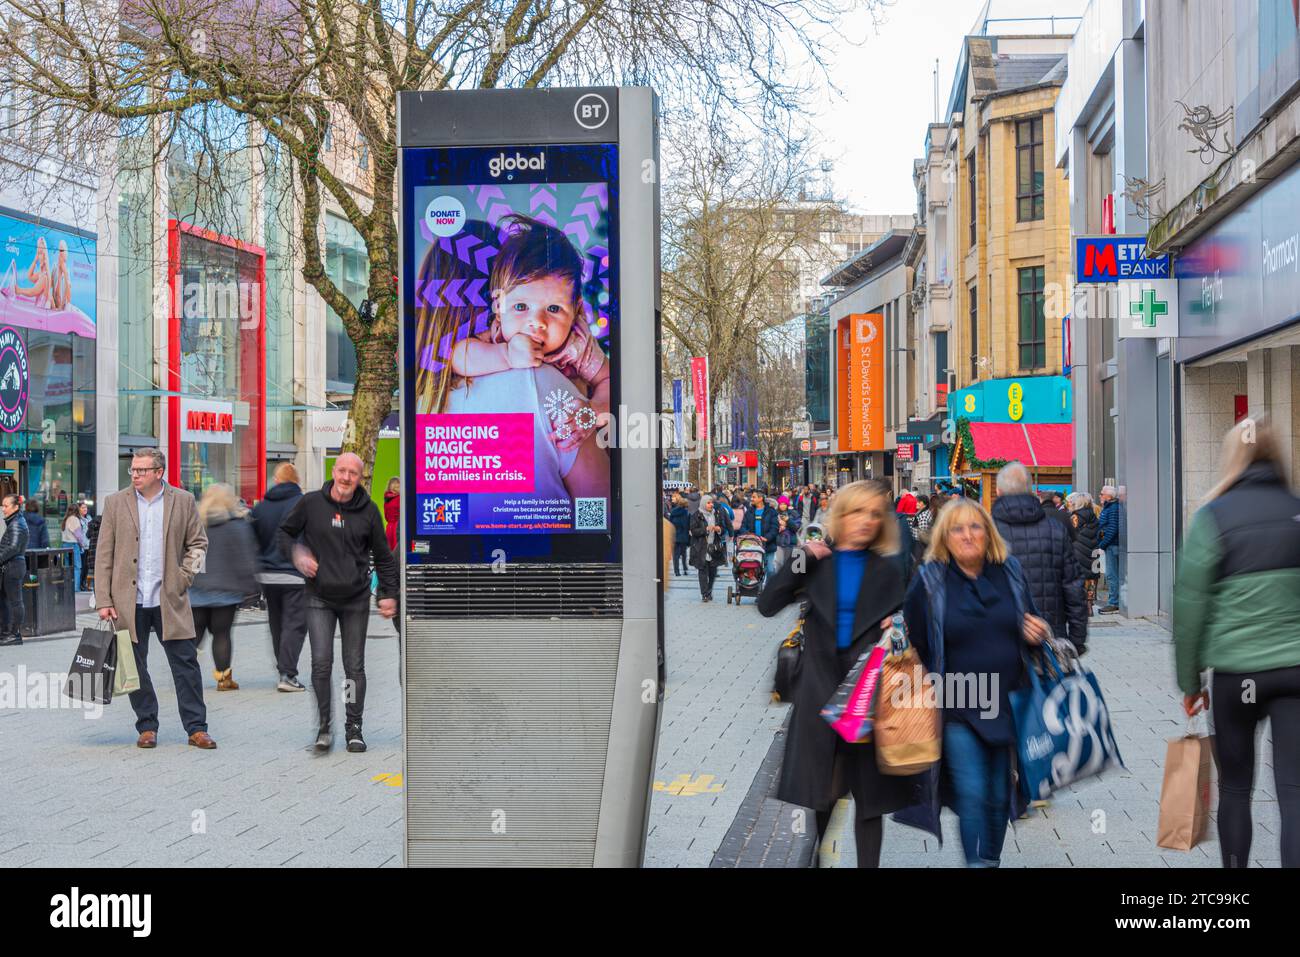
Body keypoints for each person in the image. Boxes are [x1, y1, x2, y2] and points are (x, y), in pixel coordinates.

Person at [758, 480, 919, 867]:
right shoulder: (816, 562)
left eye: (874, 514)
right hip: (820, 694)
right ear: (840, 516)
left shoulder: (888, 569)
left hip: (868, 697)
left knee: (870, 802)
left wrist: (901, 625)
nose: (865, 521)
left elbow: (912, 619)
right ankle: (814, 858)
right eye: (857, 512)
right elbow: (768, 602)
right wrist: (802, 556)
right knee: (823, 797)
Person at [1173, 415, 1300, 868]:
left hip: (1237, 674)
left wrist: (1190, 682)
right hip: (1295, 672)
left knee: (1234, 787)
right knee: (1294, 791)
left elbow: (1189, 610)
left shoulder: (1213, 518)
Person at [898, 497, 1050, 866]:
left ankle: (990, 861)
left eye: (975, 527)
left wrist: (1038, 631)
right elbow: (916, 636)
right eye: (957, 529)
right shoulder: (930, 580)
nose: (967, 535)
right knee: (971, 792)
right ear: (944, 538)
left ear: (988, 532)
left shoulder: (1010, 571)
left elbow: (1032, 618)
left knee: (1000, 796)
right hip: (956, 705)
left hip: (1007, 702)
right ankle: (977, 865)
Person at [94, 449, 215, 749]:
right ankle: (146, 726)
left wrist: (184, 578)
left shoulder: (183, 501)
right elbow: (103, 554)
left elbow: (199, 544)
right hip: (127, 601)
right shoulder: (115, 503)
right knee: (133, 667)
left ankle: (196, 728)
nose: (134, 475)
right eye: (132, 470)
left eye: (141, 470)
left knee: (185, 664)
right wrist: (103, 599)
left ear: (159, 472)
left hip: (169, 599)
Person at [277, 453, 398, 753]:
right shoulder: (310, 504)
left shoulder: (369, 511)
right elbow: (284, 534)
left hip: (355, 599)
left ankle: (353, 728)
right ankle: (324, 726)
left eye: (353, 474)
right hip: (319, 597)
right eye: (342, 471)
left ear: (360, 477)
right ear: (334, 471)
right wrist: (298, 554)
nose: (346, 478)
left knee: (353, 666)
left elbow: (384, 558)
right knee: (321, 663)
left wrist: (388, 594)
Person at [991, 462, 1088, 654]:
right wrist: (1077, 639)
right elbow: (1074, 586)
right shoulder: (1055, 530)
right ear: (1030, 490)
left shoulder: (986, 530)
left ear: (998, 491)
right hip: (1051, 636)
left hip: (1000, 639)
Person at [187, 484, 259, 691]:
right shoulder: (238, 525)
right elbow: (247, 559)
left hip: (196, 591)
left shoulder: (196, 524)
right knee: (222, 634)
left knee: (193, 636)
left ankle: (184, 675)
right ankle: (224, 678)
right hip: (227, 592)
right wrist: (251, 588)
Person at [252, 463, 309, 691]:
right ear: (297, 482)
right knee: (295, 624)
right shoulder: (303, 504)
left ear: (276, 481)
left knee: (276, 623)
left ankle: (282, 668)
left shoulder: (261, 508)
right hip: (295, 574)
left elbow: (252, 540)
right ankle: (288, 673)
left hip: (267, 575)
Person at [0, 495, 29, 645]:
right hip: (11, 566)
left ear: (15, 507)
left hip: (13, 566)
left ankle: (13, 634)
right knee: (8, 601)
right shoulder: (15, 522)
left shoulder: (18, 523)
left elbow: (13, 547)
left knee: (14, 601)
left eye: (6, 506)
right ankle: (7, 633)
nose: (3, 509)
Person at [1067, 491, 1101, 614]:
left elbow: (1069, 533)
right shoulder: (1094, 515)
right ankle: (1089, 604)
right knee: (1092, 577)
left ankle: (1080, 604)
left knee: (1079, 577)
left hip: (1078, 549)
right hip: (1094, 551)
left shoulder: (1075, 516)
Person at [688, 495, 726, 601]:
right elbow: (693, 530)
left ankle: (709, 591)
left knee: (713, 572)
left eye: (712, 503)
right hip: (701, 548)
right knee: (703, 571)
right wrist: (706, 530)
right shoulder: (696, 515)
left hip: (714, 547)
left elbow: (723, 527)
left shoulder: (716, 514)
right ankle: (704, 594)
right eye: (709, 503)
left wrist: (719, 529)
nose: (711, 505)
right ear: (704, 504)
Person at [740, 490, 779, 577]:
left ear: (761, 498)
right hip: (753, 546)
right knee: (755, 569)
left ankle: (769, 588)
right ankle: (758, 587)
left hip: (768, 545)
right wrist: (748, 535)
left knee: (770, 569)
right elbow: (743, 526)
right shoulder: (749, 512)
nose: (751, 499)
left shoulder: (771, 512)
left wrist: (767, 538)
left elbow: (775, 528)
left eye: (754, 497)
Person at [1097, 485, 1122, 612]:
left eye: (1102, 494)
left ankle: (1114, 602)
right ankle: (1114, 601)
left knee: (1112, 575)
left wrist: (1102, 544)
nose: (1100, 496)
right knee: (1112, 575)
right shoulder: (1110, 507)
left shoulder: (1113, 508)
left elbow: (1112, 528)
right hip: (1111, 545)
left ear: (1109, 496)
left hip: (1112, 545)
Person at [62, 503, 89, 592]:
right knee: (77, 567)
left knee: (67, 567)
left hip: (65, 545)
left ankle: (67, 587)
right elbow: (78, 535)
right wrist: (82, 544)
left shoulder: (65, 519)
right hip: (73, 545)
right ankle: (75, 588)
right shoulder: (74, 519)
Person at [773, 495, 800, 571]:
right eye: (781, 504)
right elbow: (772, 527)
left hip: (790, 542)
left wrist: (788, 521)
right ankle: (779, 580)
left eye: (784, 504)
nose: (782, 506)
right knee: (779, 563)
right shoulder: (775, 514)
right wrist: (779, 525)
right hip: (778, 541)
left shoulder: (793, 514)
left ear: (787, 504)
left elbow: (795, 528)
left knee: (788, 563)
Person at [669, 493, 691, 576]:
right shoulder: (686, 513)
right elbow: (688, 525)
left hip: (674, 535)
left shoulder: (673, 512)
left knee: (676, 555)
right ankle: (685, 569)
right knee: (684, 554)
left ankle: (676, 571)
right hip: (683, 536)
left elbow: (670, 523)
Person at [383, 477, 401, 554]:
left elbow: (386, 516)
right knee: (398, 550)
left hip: (389, 527)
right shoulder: (400, 498)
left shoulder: (387, 499)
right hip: (397, 527)